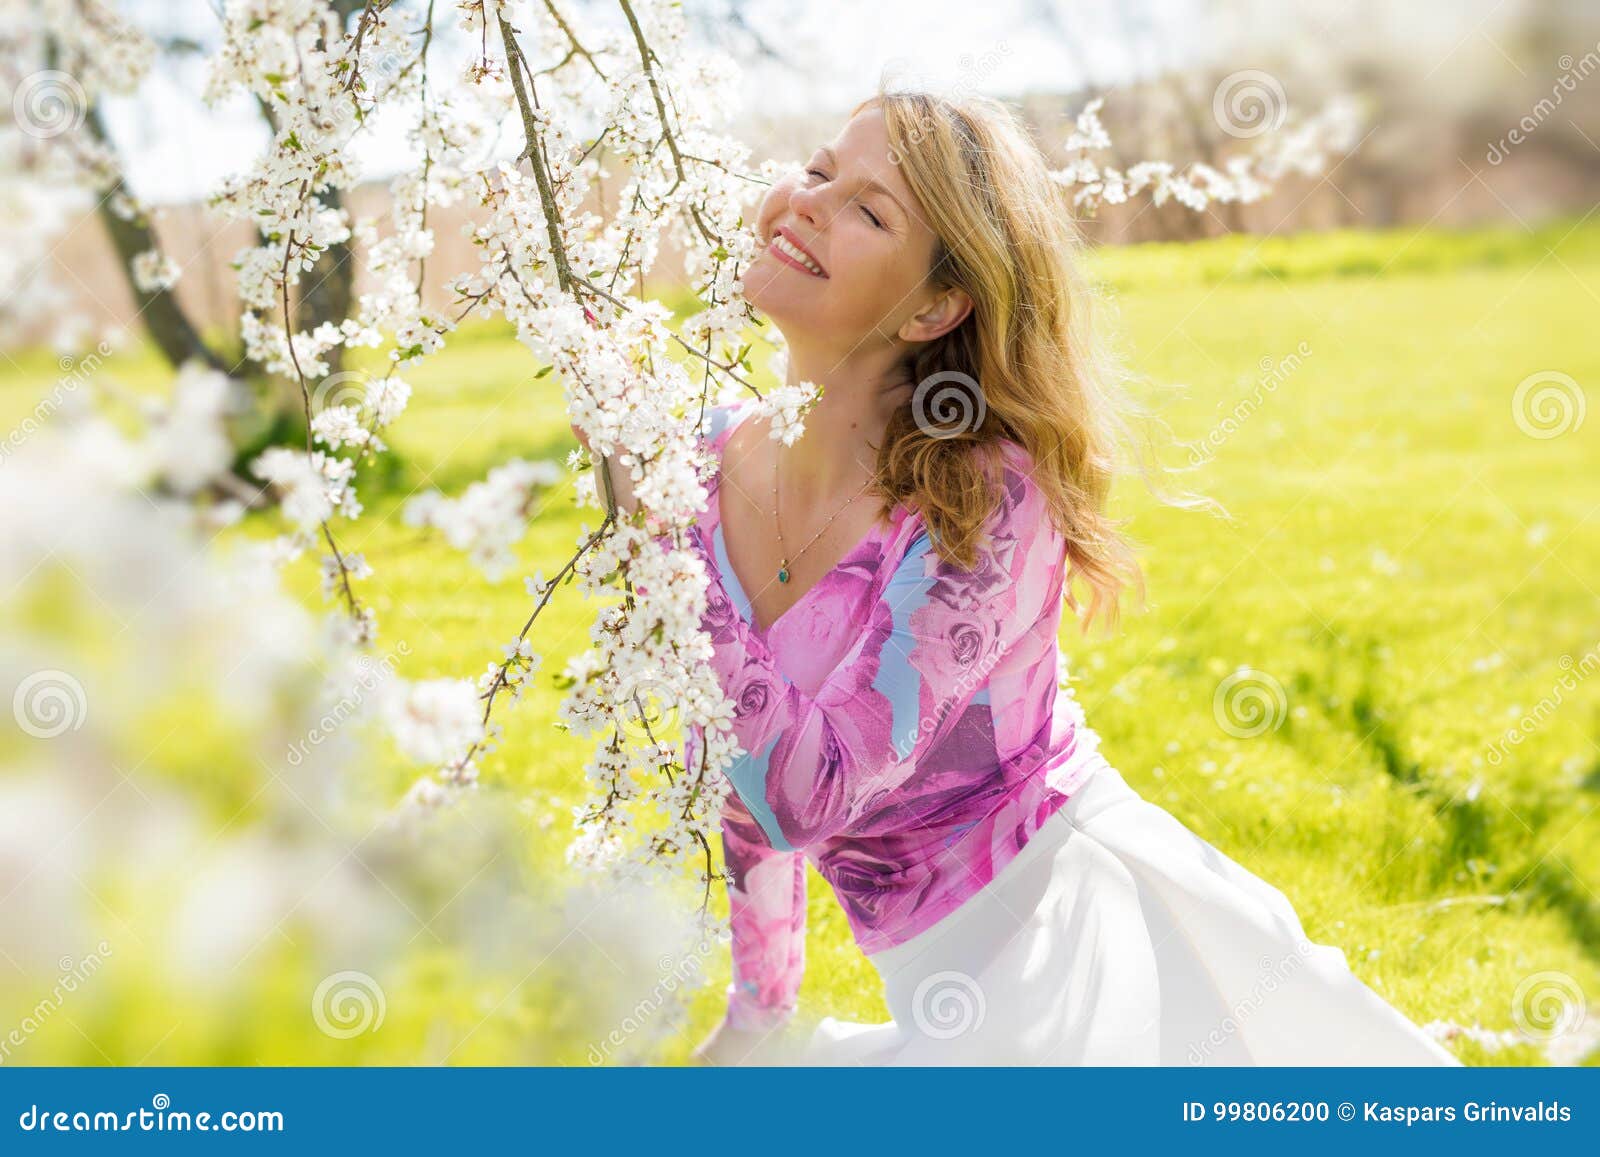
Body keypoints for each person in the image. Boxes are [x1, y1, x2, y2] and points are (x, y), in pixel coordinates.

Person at [589, 89, 1461, 1066]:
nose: (808, 201)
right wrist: (757, 1012)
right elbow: (745, 771)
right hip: (945, 989)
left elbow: (809, 790)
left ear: (933, 305)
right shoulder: (700, 464)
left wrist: (656, 527)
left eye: (869, 210)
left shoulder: (984, 497)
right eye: (821, 167)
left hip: (1067, 927)